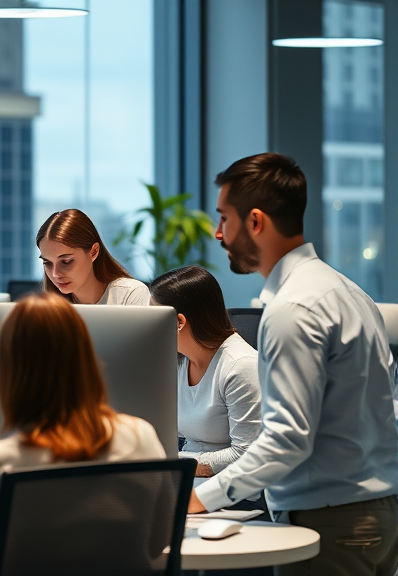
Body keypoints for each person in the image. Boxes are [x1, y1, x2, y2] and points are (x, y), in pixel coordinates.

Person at [190, 152, 398, 576]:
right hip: (375, 510)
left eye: (224, 219)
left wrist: (200, 498)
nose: (217, 233)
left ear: (255, 221)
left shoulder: (293, 309)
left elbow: (288, 441)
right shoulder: (349, 292)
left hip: (329, 519)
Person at [0, 292, 165, 576]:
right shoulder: (142, 435)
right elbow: (156, 542)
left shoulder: (7, 459)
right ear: (85, 357)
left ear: (10, 370)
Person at [150, 265, 261, 479]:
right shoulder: (180, 359)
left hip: (230, 494)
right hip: (189, 480)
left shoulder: (240, 366)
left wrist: (173, 463)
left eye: (153, 317)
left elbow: (247, 455)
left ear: (179, 322)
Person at [36, 208, 150, 305]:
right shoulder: (50, 307)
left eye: (66, 261)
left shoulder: (130, 294)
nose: (55, 274)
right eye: (47, 263)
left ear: (94, 252)